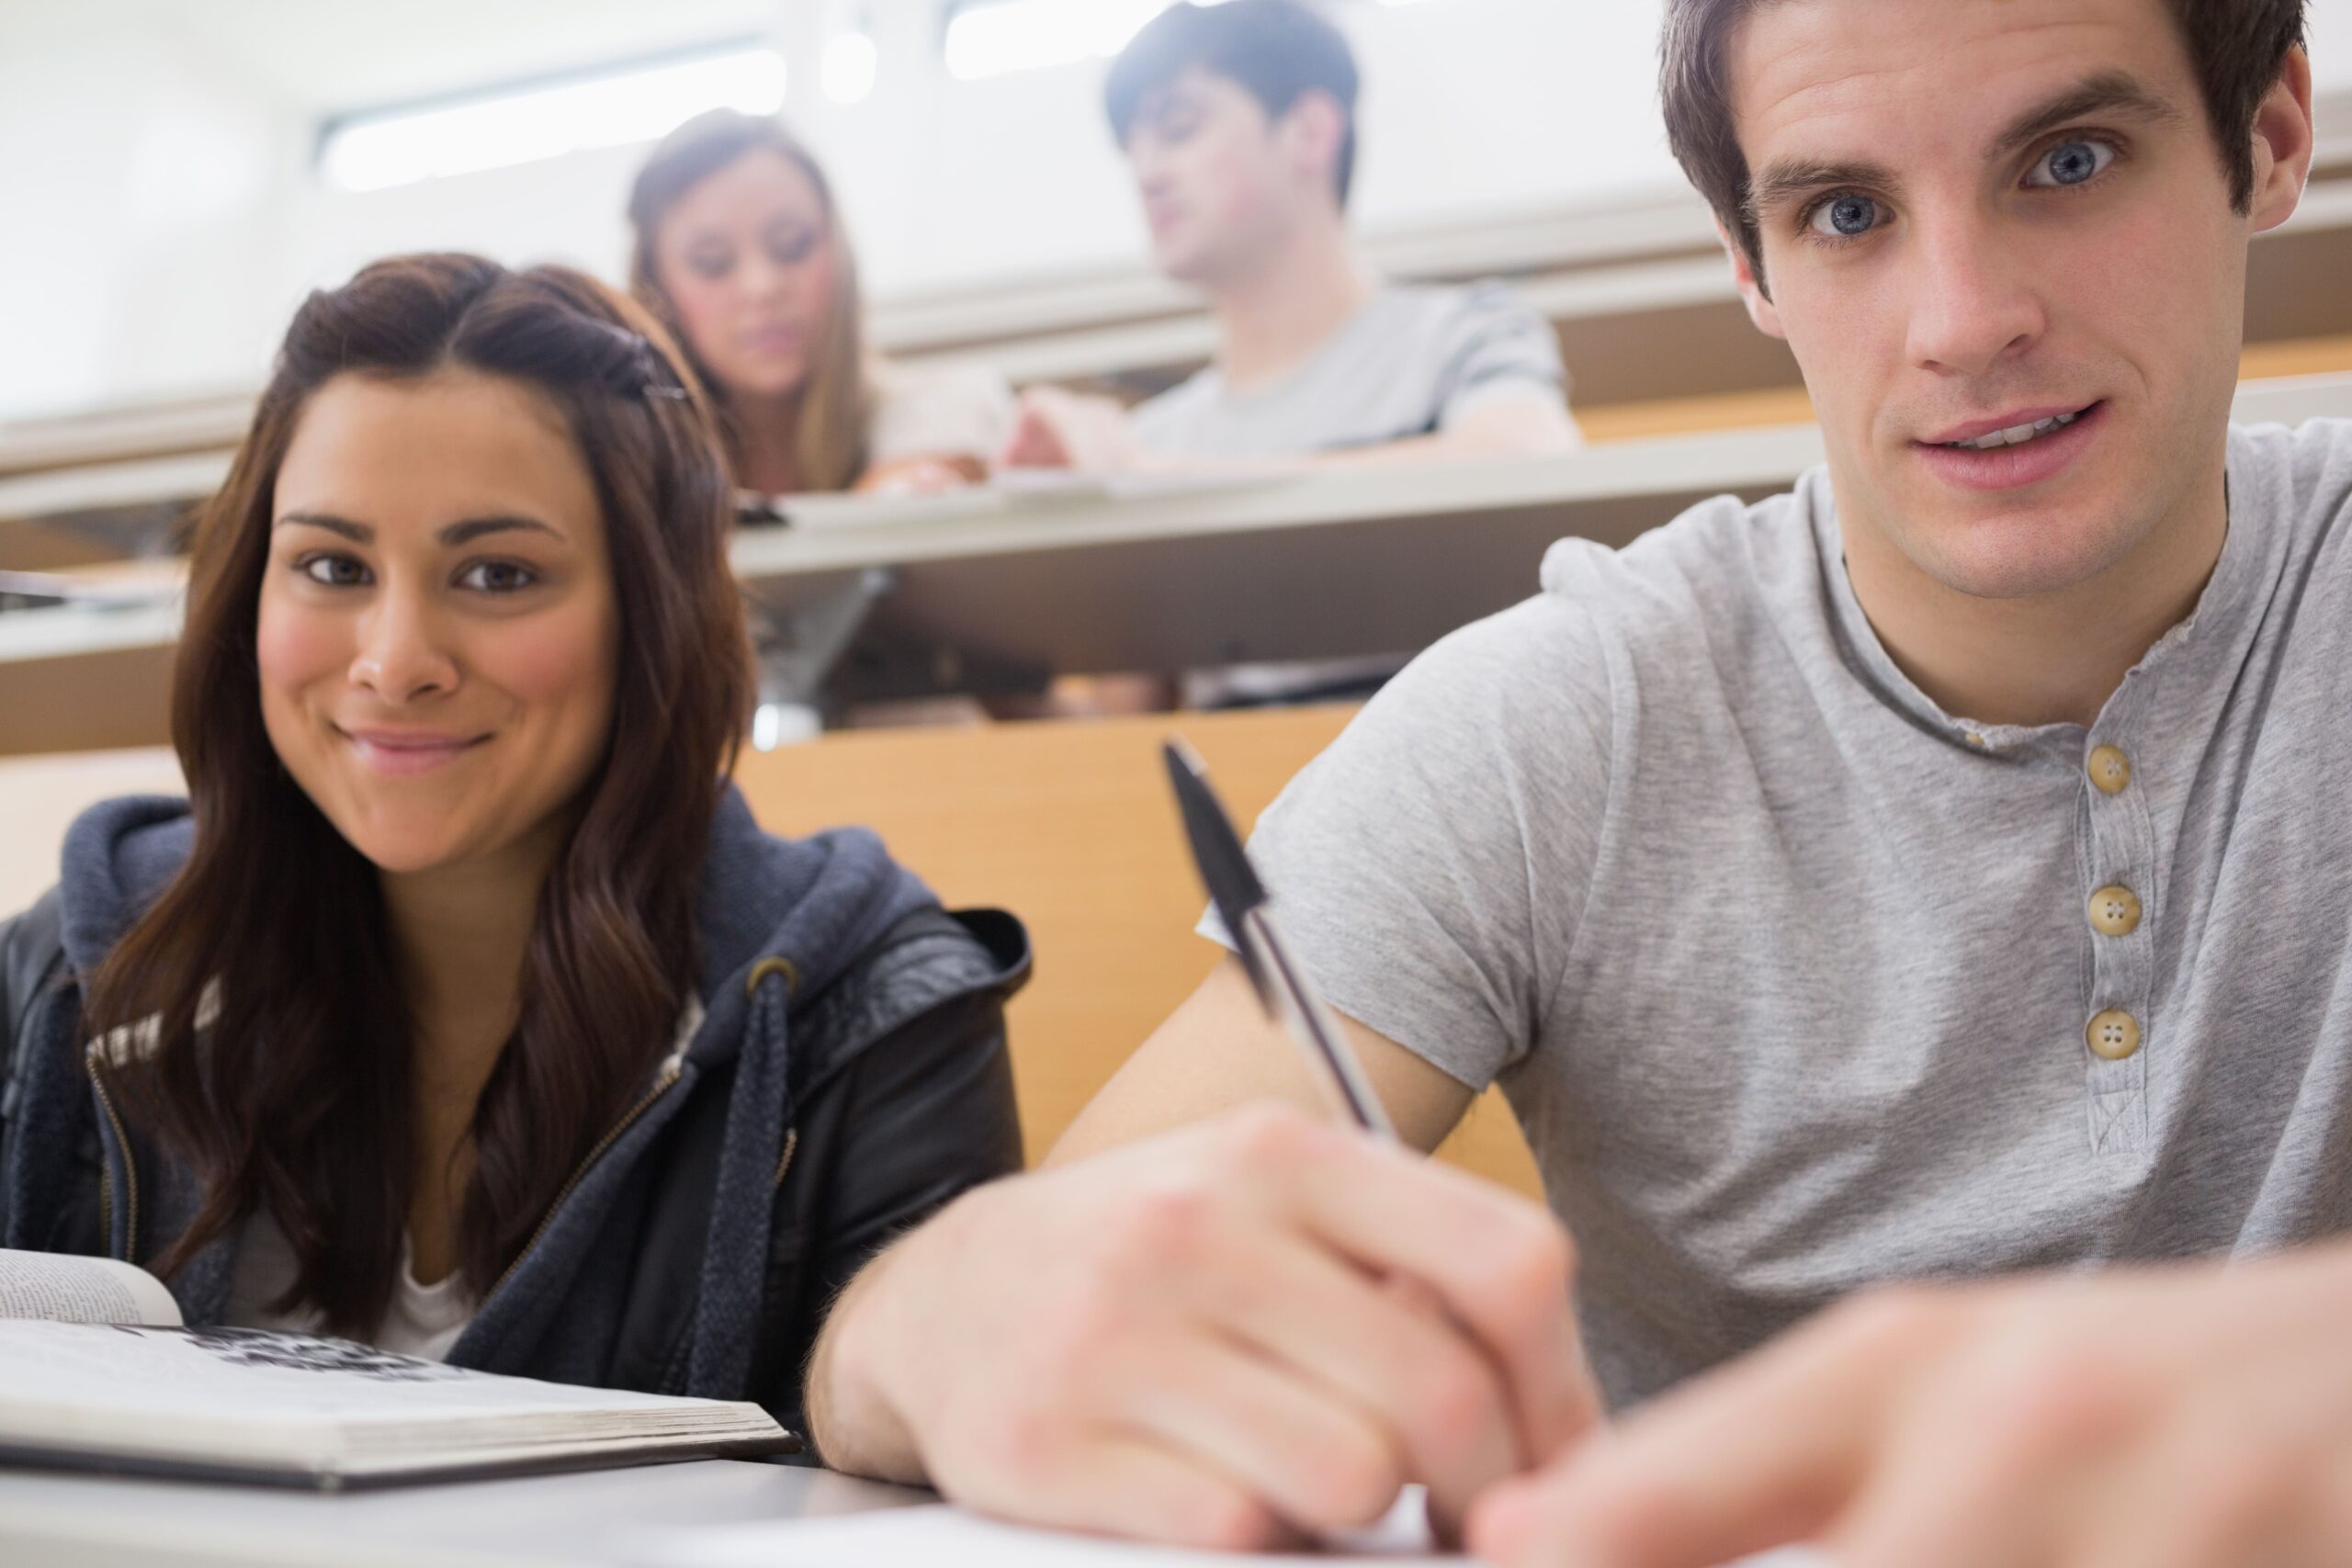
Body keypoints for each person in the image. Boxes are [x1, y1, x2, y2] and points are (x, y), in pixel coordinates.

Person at [806, 0, 2352, 1560]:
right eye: (1847, 212)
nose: (1964, 316)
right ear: (1749, 261)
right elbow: (1032, 1294)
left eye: (2069, 160)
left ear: (2271, 136)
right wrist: (920, 1326)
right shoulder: (1570, 714)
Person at [0, 254, 1028, 1438]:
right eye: (333, 566)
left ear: (652, 616)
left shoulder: (872, 1019)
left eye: (498, 574)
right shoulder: (79, 968)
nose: (395, 660)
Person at [1001, 0, 1580, 475]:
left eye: (1179, 128)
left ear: (1307, 132)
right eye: (1132, 148)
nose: (1147, 172)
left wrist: (1146, 479)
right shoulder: (1155, 437)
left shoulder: (1458, 337)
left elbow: (1531, 461)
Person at [628, 111, 1014, 503]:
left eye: (793, 244)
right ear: (656, 288)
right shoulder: (632, 466)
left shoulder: (945, 407)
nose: (762, 286)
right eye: (712, 261)